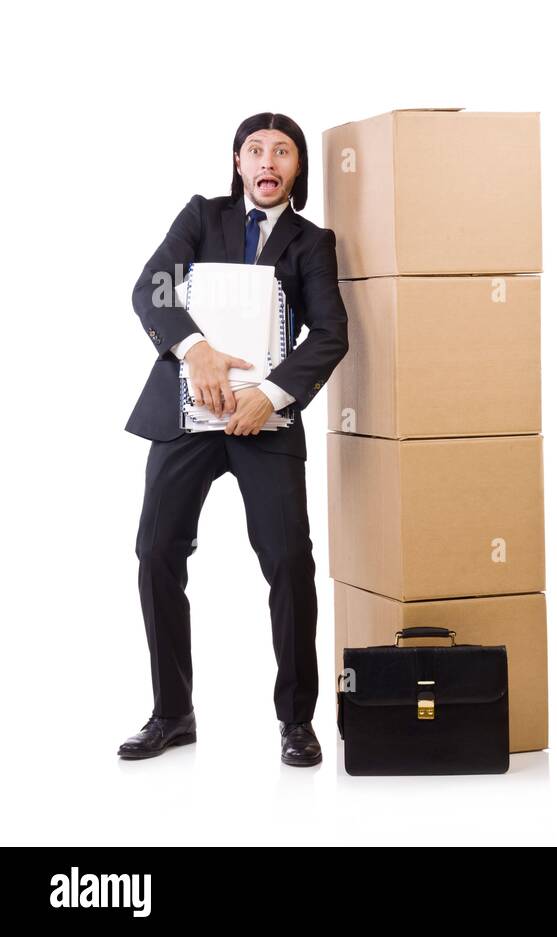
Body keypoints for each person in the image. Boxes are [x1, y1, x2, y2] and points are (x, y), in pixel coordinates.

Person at [119, 112, 349, 766]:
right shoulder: (201, 215)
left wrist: (269, 394)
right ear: (238, 162)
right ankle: (171, 712)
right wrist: (196, 351)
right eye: (256, 150)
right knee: (157, 551)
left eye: (283, 151)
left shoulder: (312, 242)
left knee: (288, 563)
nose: (268, 161)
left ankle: (297, 720)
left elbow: (331, 334)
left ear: (298, 168)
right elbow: (152, 288)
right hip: (186, 416)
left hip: (263, 422)